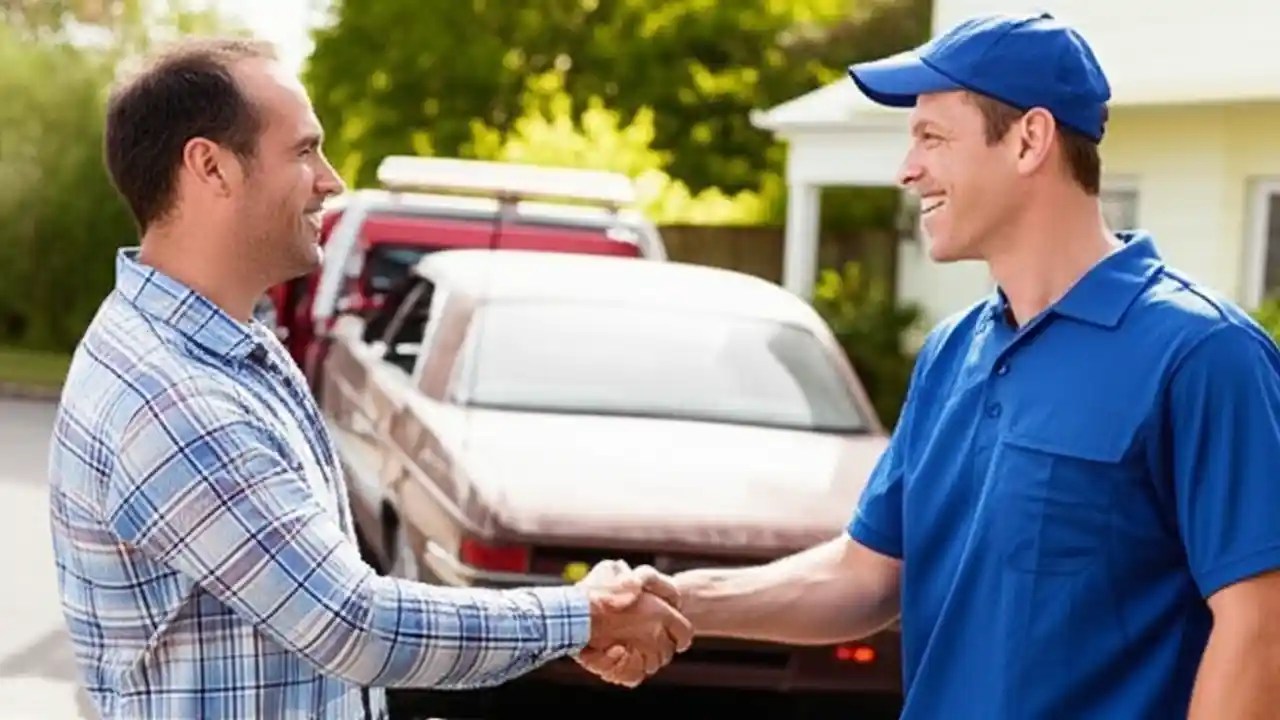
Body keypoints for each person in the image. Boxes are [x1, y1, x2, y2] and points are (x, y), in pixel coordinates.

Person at [579, 12, 1280, 718]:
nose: (907, 169)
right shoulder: (954, 353)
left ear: (1030, 140)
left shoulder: (1203, 356)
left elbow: (1262, 626)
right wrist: (673, 598)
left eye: (932, 137)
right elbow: (864, 577)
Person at [46, 38, 690, 720]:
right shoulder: (171, 397)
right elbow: (351, 624)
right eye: (302, 151)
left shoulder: (223, 346)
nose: (331, 180)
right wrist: (583, 615)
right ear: (211, 167)